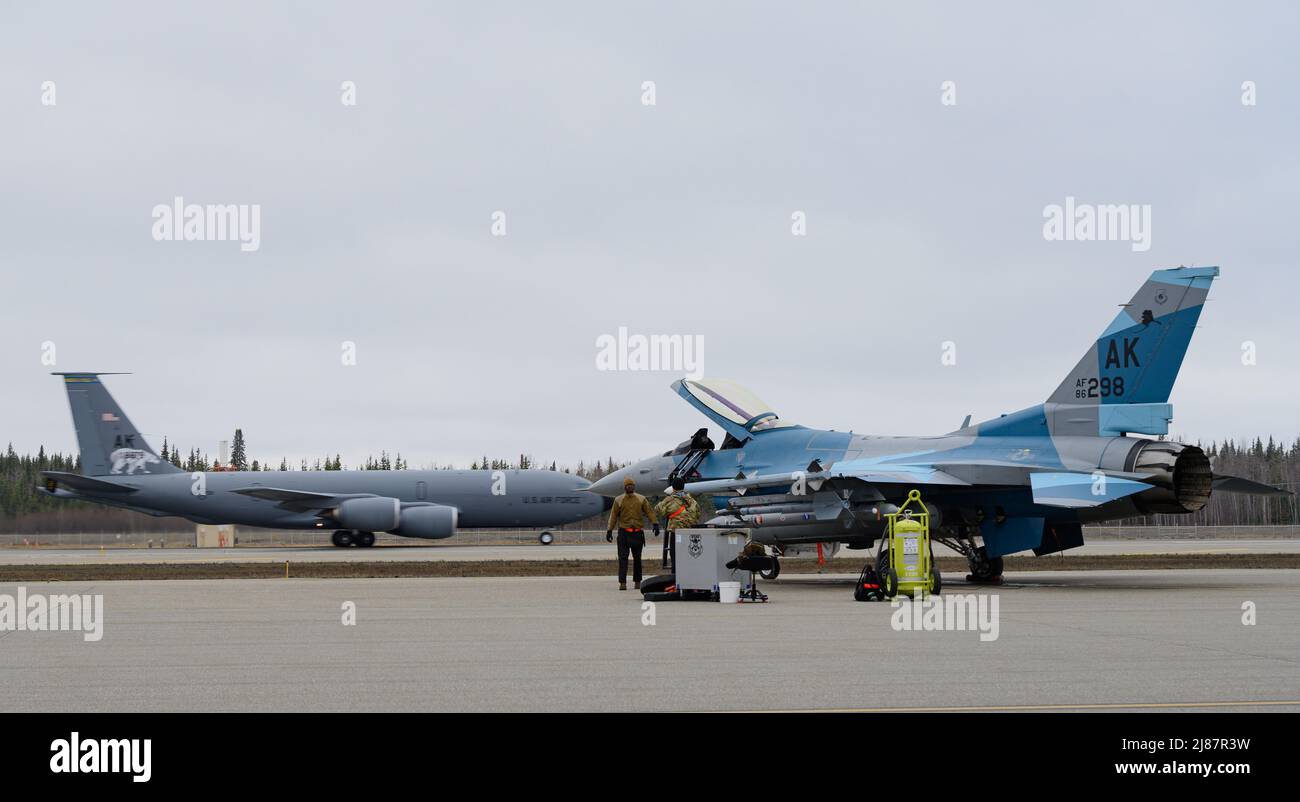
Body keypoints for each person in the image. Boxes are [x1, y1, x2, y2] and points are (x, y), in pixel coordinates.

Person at [606, 477, 658, 590]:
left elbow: (649, 511)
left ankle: (637, 581)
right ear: (624, 487)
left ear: (634, 486)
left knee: (637, 559)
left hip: (637, 533)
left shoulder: (641, 499)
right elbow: (613, 515)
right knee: (623, 558)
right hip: (624, 533)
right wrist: (609, 530)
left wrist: (655, 523)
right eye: (627, 485)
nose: (630, 487)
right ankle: (622, 583)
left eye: (631, 485)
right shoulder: (618, 500)